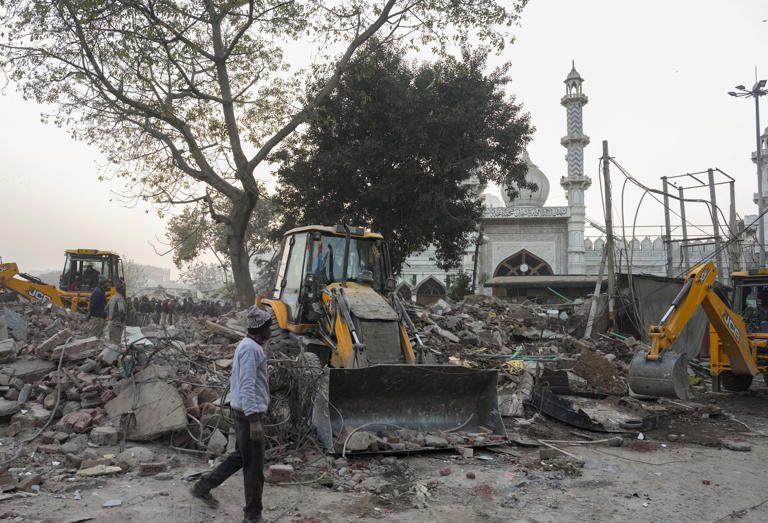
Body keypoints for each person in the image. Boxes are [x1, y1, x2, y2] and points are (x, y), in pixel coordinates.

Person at [190, 306, 271, 523]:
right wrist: (254, 420)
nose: (271, 330)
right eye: (269, 326)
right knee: (254, 467)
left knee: (240, 458)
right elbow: (247, 386)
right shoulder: (251, 350)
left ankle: (202, 487)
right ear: (261, 328)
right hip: (248, 415)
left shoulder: (249, 346)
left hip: (244, 412)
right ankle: (253, 515)